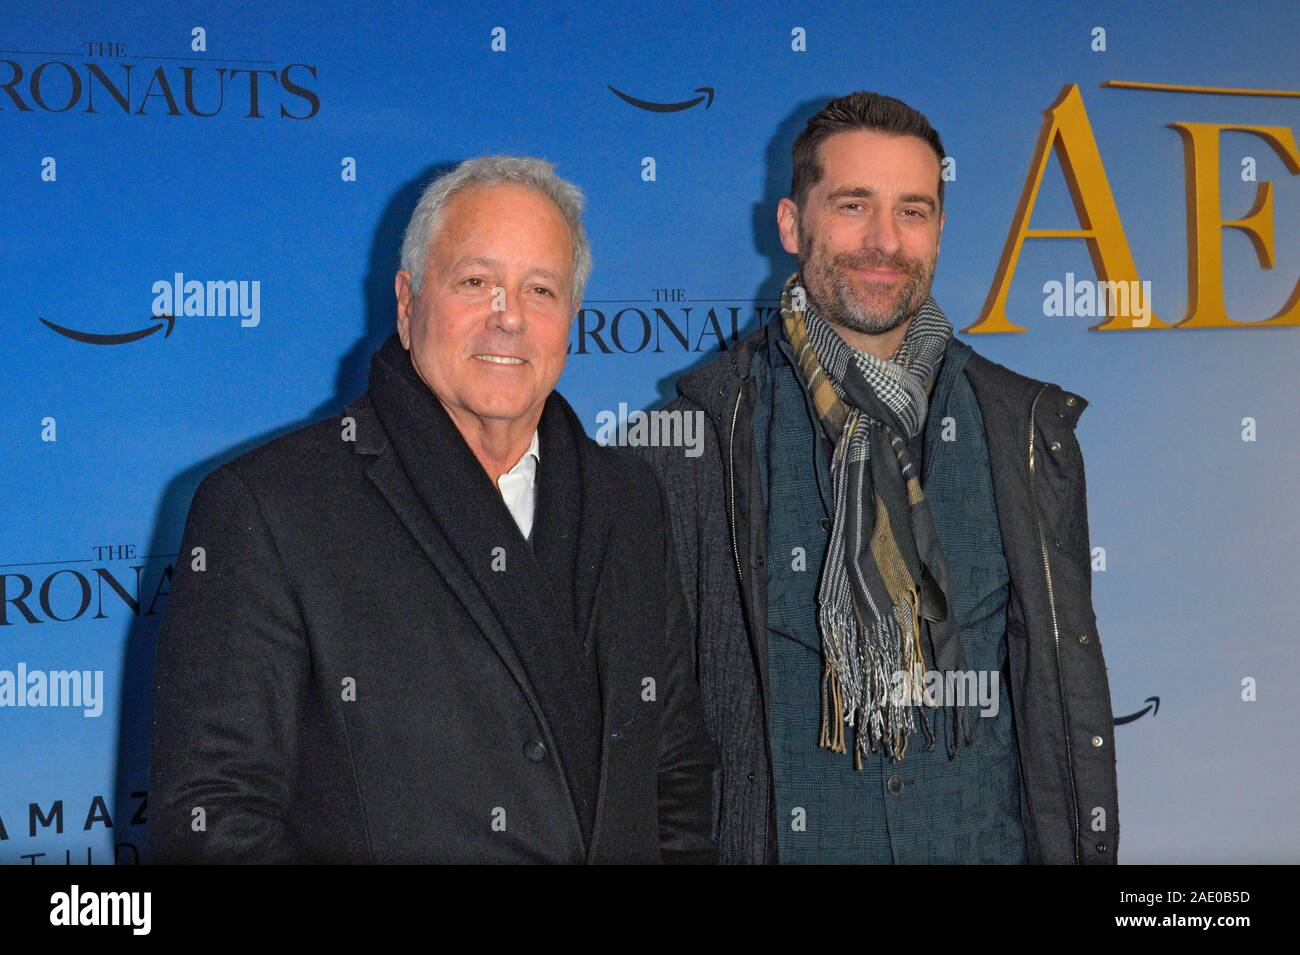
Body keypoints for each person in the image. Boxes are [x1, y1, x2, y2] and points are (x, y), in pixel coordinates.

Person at [149, 156, 718, 864]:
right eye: (475, 282)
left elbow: (678, 773)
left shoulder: (630, 502)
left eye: (540, 289)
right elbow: (212, 819)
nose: (508, 317)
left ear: (571, 319)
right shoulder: (268, 509)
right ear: (407, 301)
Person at [639, 92, 1119, 864]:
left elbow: (1062, 724)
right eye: (854, 205)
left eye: (913, 211)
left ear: (939, 231)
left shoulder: (1024, 432)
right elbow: (657, 755)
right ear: (793, 225)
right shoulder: (691, 447)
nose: (884, 241)